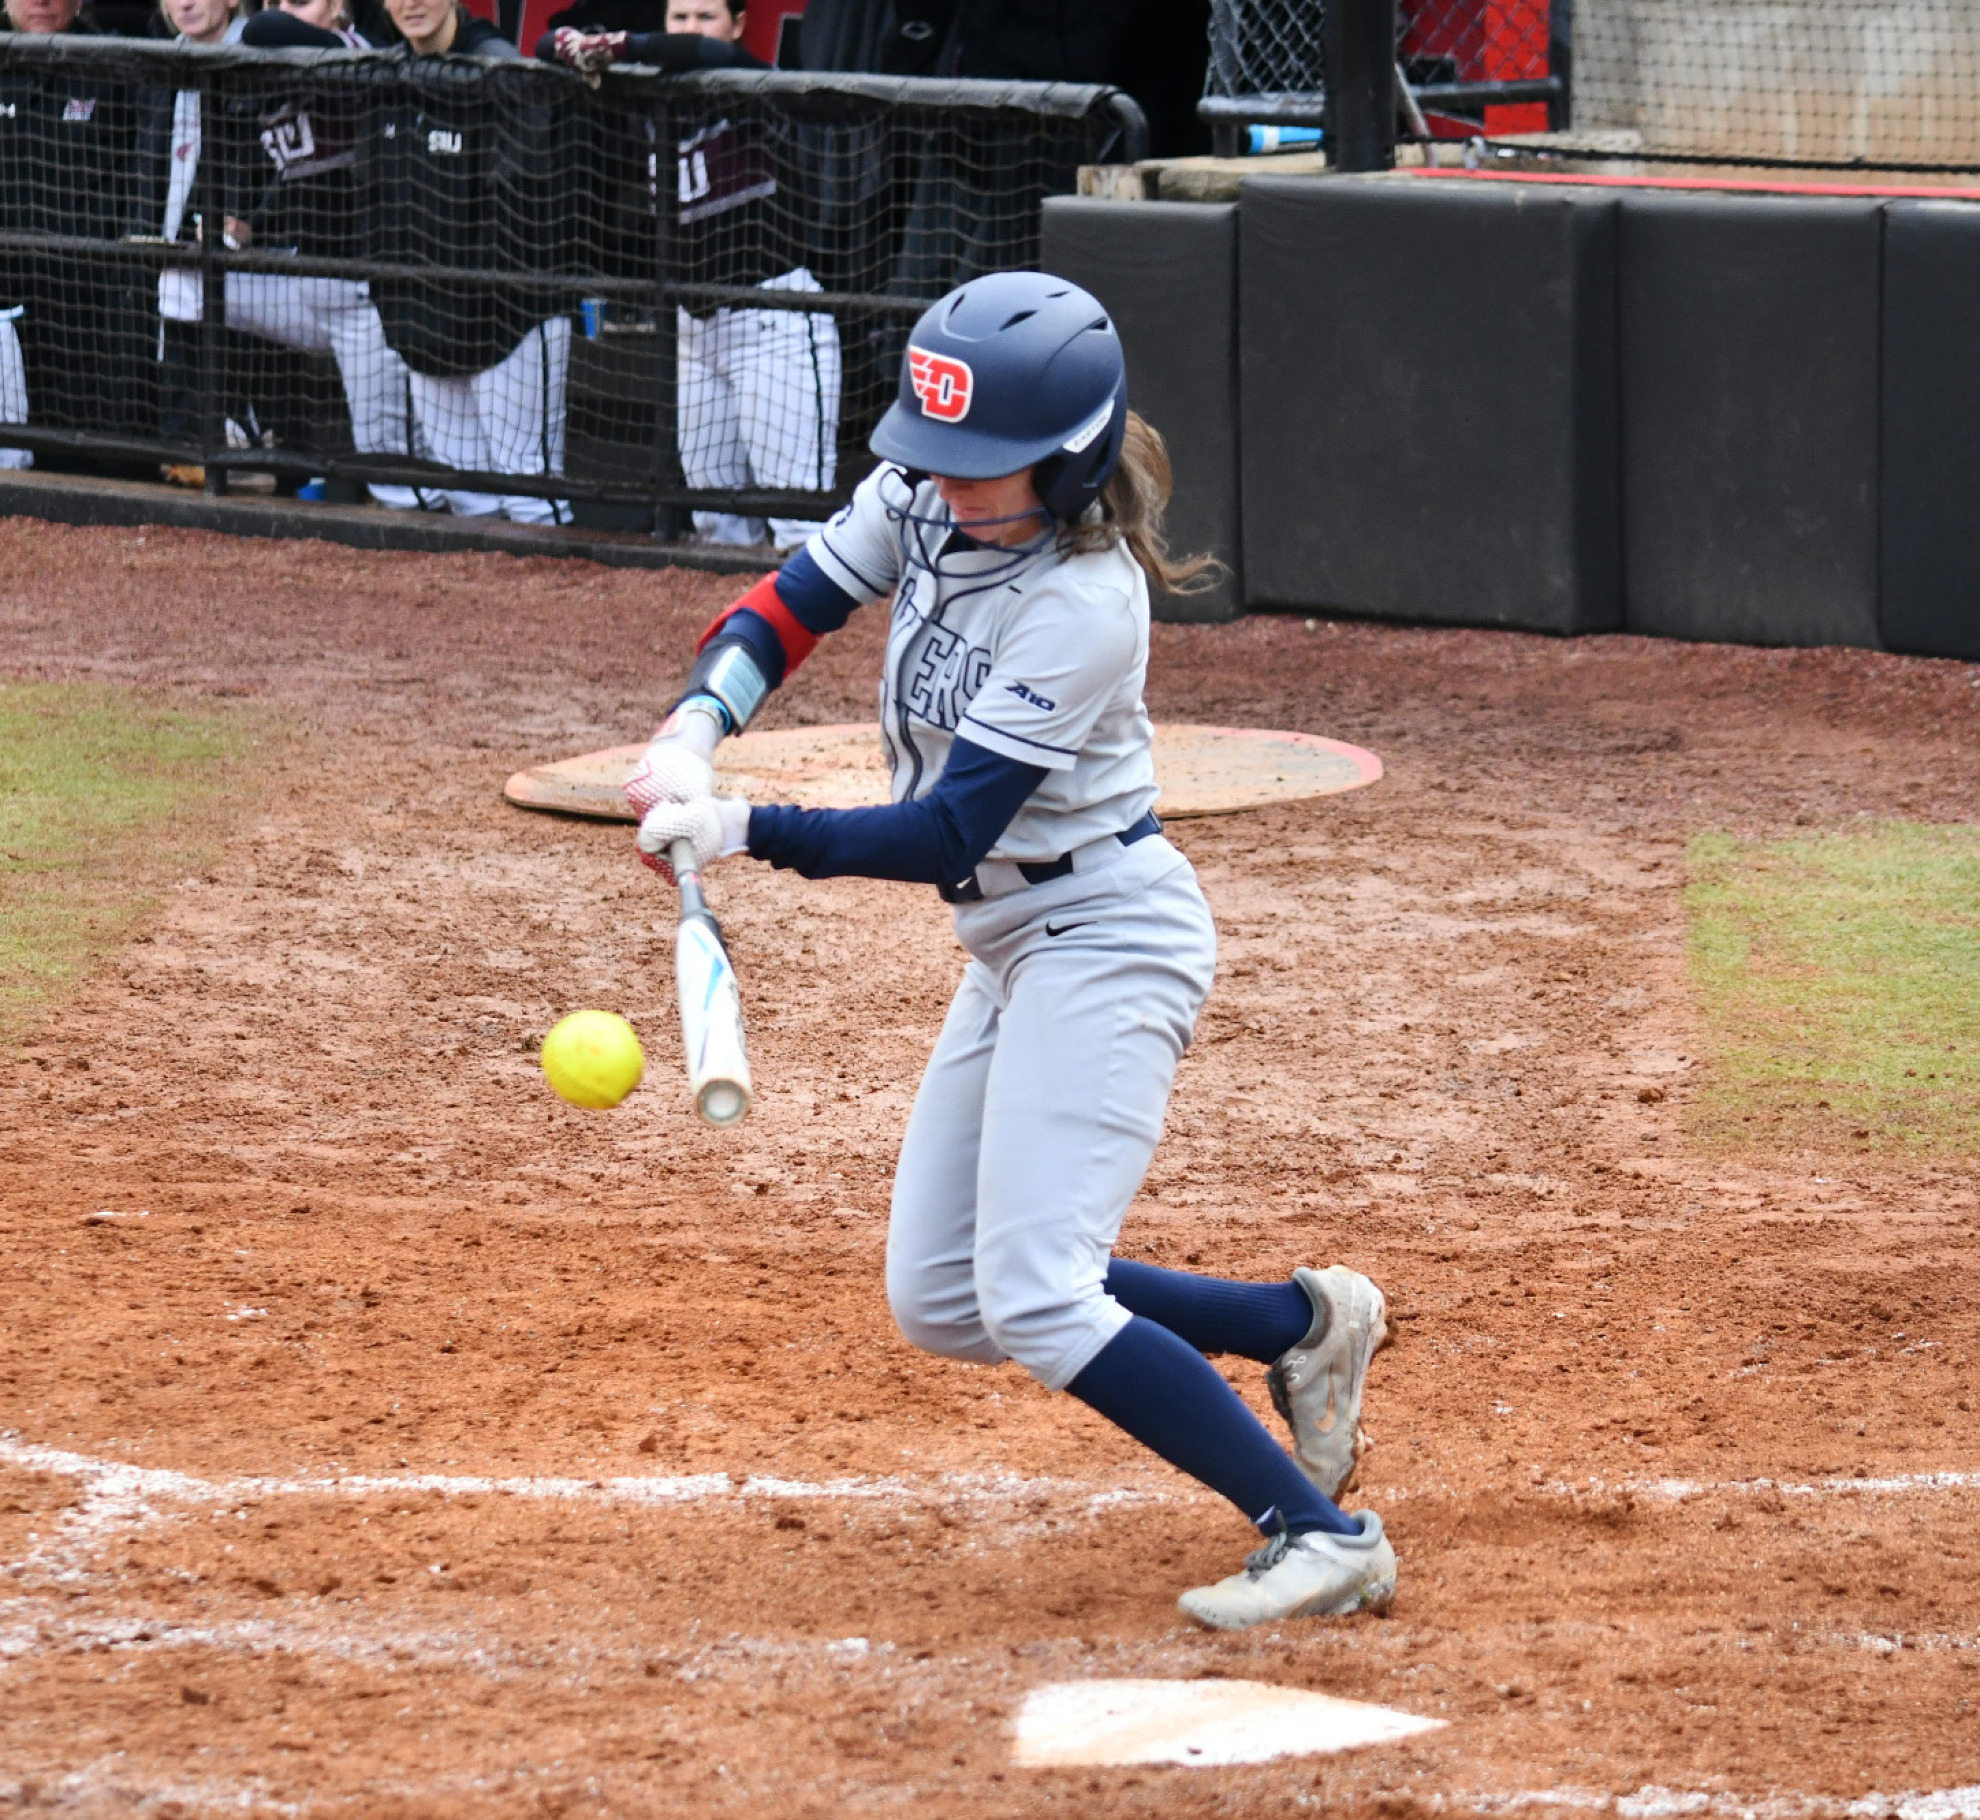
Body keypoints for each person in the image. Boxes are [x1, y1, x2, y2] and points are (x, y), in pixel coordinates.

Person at [623, 272, 1397, 1630]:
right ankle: (1299, 1327)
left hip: (1106, 934)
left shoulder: (1087, 602)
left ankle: (1322, 1536)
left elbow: (945, 829)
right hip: (1016, 939)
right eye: (936, 460)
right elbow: (793, 601)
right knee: (944, 1296)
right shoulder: (929, 494)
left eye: (982, 471)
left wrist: (742, 824)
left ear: (1070, 459)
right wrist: (699, 720)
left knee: (1038, 1295)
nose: (946, 489)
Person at [542, 0, 840, 552]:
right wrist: (580, 47)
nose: (691, 29)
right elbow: (544, 43)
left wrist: (616, 46)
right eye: (679, 17)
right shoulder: (654, 91)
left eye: (706, 16)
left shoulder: (754, 83)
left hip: (772, 321)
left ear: (738, 25)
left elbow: (704, 55)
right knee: (714, 523)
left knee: (798, 524)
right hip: (695, 329)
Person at [367, 0, 572, 522]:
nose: (409, 4)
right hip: (425, 318)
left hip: (509, 319)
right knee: (467, 497)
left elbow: (527, 203)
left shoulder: (500, 66)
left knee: (529, 496)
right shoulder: (387, 74)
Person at [236, 0, 420, 508]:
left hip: (365, 296)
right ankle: (240, 431)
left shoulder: (354, 51)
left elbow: (260, 25)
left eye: (301, 1)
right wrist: (251, 224)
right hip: (306, 287)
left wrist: (274, 20)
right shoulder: (273, 71)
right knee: (185, 285)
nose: (284, 12)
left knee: (391, 468)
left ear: (340, 8)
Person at [0, 0, 142, 465]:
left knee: (92, 462)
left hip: (93, 299)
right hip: (9, 299)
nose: (41, 1)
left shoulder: (116, 59)